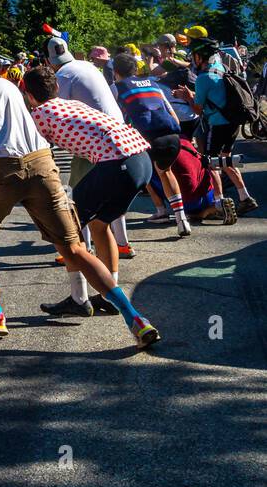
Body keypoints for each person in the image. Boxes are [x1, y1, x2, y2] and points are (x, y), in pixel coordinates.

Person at [0, 38, 159, 349]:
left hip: (0, 169)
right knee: (75, 248)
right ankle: (135, 318)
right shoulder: (7, 86)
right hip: (42, 164)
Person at [19, 64, 159, 324]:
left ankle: (79, 299)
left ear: (27, 93)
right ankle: (106, 297)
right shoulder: (71, 104)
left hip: (117, 164)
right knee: (99, 223)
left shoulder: (39, 115)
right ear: (57, 87)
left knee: (67, 230)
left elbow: (32, 154)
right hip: (141, 159)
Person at [47, 34, 136, 260]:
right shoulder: (86, 65)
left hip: (96, 138)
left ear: (48, 61)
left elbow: (55, 110)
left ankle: (83, 247)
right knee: (112, 196)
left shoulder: (63, 76)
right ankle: (123, 244)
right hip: (118, 130)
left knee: (76, 195)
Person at [111, 52, 192, 236]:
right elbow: (172, 114)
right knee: (166, 172)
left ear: (115, 71)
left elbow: (111, 113)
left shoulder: (117, 87)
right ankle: (182, 220)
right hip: (171, 136)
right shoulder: (153, 83)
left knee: (144, 175)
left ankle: (160, 211)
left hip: (146, 137)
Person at [178, 39, 257, 214]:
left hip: (217, 124)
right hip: (232, 122)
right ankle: (245, 197)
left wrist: (187, 97)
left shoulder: (203, 78)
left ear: (200, 56)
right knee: (225, 159)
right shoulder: (220, 69)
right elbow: (215, 96)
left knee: (210, 162)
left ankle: (219, 203)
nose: (193, 60)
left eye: (194, 56)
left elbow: (198, 110)